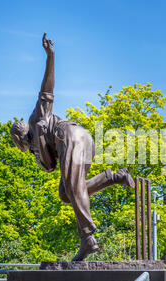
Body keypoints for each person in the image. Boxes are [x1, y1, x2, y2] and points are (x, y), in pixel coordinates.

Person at [10, 33, 135, 261]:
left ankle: (88, 238)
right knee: (66, 194)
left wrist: (50, 57)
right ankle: (115, 177)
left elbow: (47, 89)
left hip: (70, 137)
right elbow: (51, 165)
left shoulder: (36, 118)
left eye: (17, 141)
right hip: (81, 141)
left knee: (73, 188)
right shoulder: (36, 150)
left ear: (18, 139)